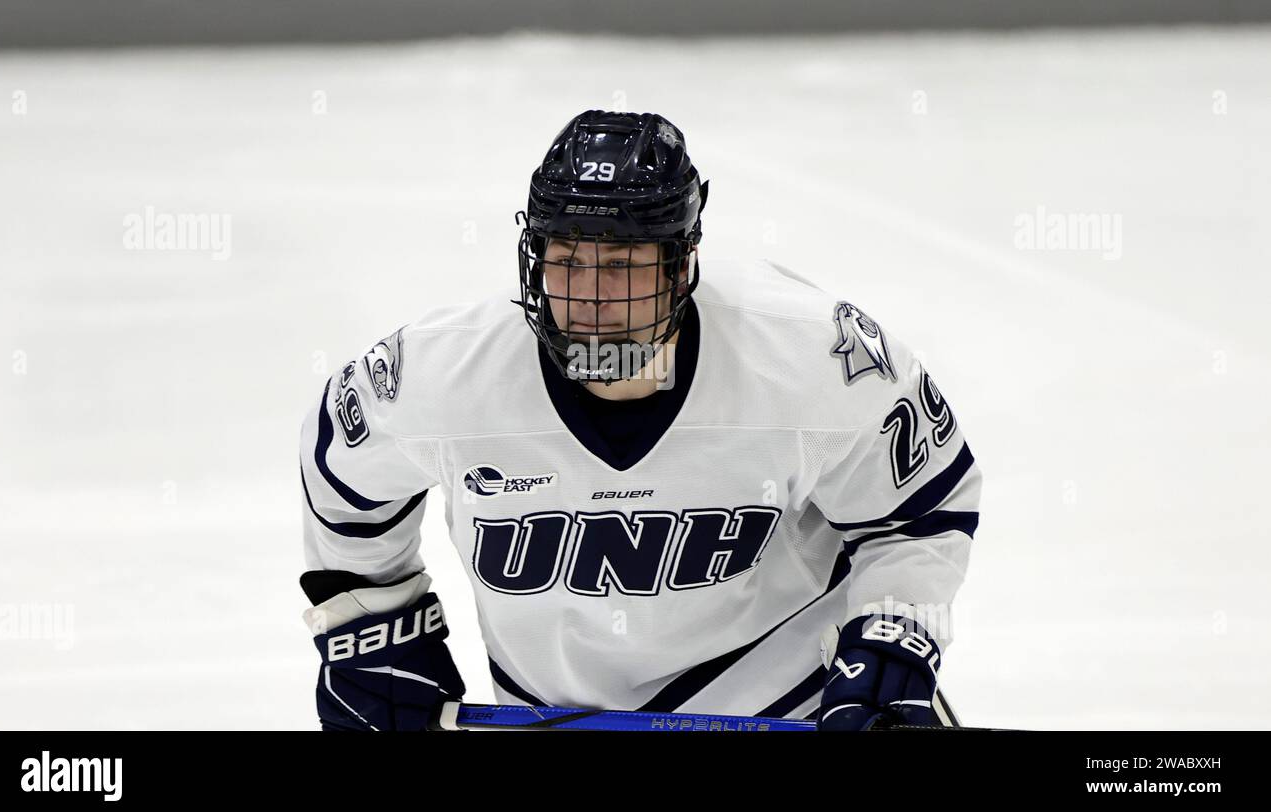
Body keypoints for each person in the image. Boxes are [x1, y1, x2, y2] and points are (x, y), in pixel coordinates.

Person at [298, 110, 982, 731]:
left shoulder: (811, 356)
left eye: (622, 263)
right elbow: (342, 472)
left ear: (681, 266)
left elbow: (920, 510)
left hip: (795, 706)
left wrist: (889, 640)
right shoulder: (447, 375)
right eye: (568, 261)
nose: (591, 297)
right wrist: (377, 633)